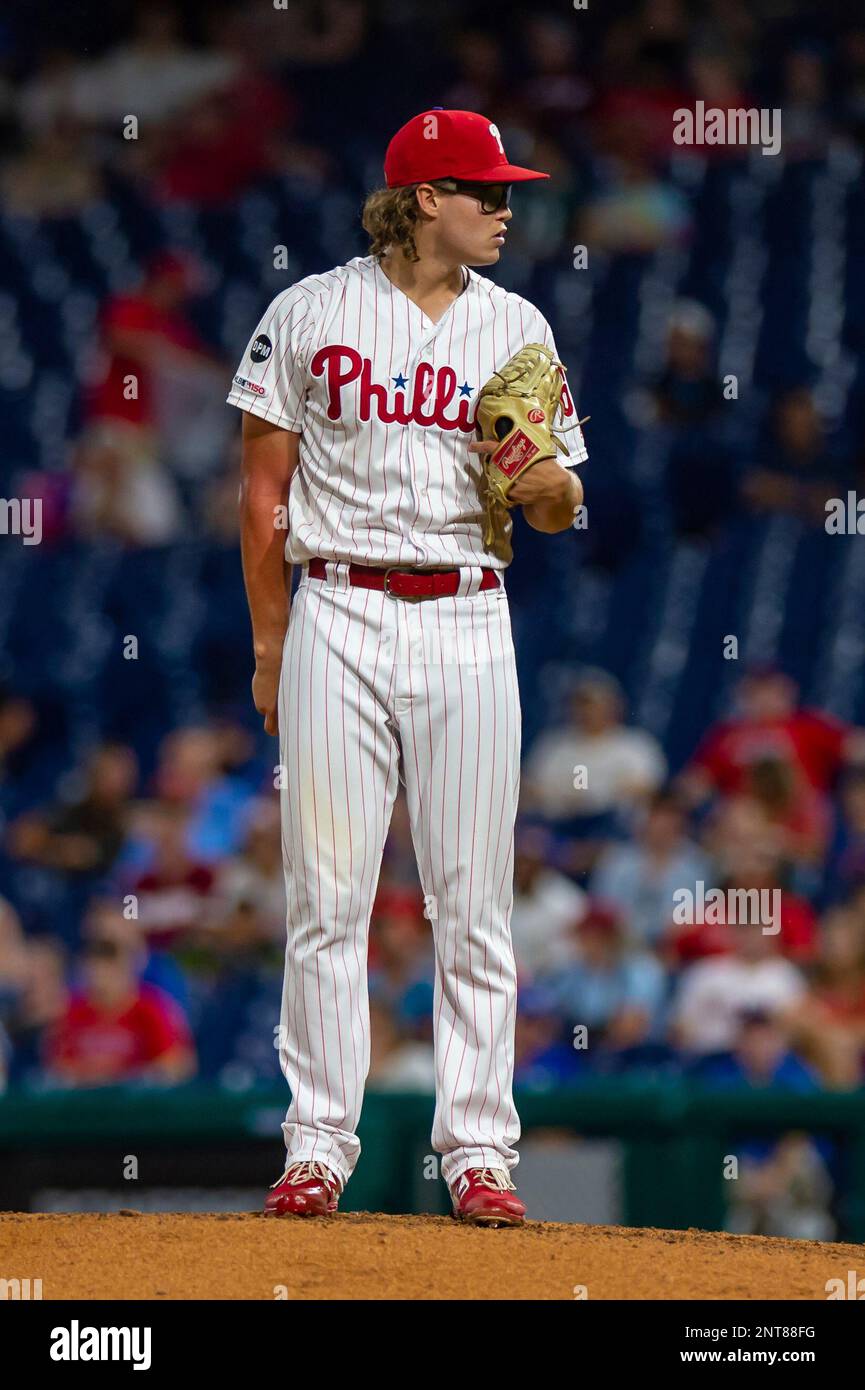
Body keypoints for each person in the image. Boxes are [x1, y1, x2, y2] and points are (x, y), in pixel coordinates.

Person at [230, 108, 589, 1226]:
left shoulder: (516, 325)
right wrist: (270, 642)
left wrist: (544, 486)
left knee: (472, 901)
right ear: (425, 196)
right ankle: (317, 1148)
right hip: (335, 606)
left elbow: (569, 501)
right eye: (485, 190)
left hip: (468, 616)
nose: (505, 208)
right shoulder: (310, 310)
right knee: (324, 899)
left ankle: (479, 1150)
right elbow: (260, 497)